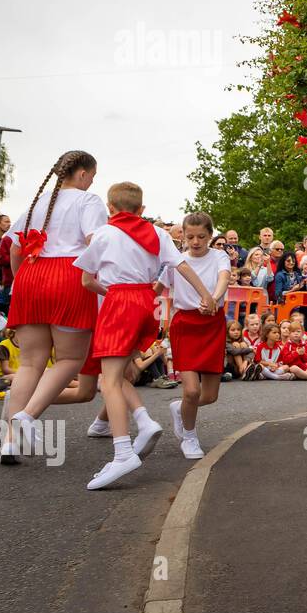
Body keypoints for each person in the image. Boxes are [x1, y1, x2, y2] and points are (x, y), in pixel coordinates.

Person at [75, 182, 215, 489]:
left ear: (111, 209)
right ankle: (142, 420)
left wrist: (109, 291)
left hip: (120, 301)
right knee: (124, 371)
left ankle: (123, 450)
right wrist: (206, 294)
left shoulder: (105, 234)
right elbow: (182, 268)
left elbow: (86, 280)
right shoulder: (159, 233)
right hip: (145, 303)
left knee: (108, 380)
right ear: (142, 210)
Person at [0, 150, 108, 463]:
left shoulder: (39, 201)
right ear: (84, 173)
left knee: (31, 362)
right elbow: (95, 242)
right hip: (70, 275)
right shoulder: (89, 201)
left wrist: (23, 282)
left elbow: (15, 248)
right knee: (70, 359)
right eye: (93, 176)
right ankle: (27, 417)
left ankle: (9, 440)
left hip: (32, 275)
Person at [163, 212, 231, 460]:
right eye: (190, 236)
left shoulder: (220, 256)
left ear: (210, 236)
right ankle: (189, 437)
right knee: (191, 391)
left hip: (212, 324)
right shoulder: (177, 261)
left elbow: (224, 278)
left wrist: (212, 298)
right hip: (185, 325)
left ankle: (180, 410)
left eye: (201, 236)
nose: (195, 242)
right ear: (183, 235)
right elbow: (161, 289)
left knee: (209, 396)